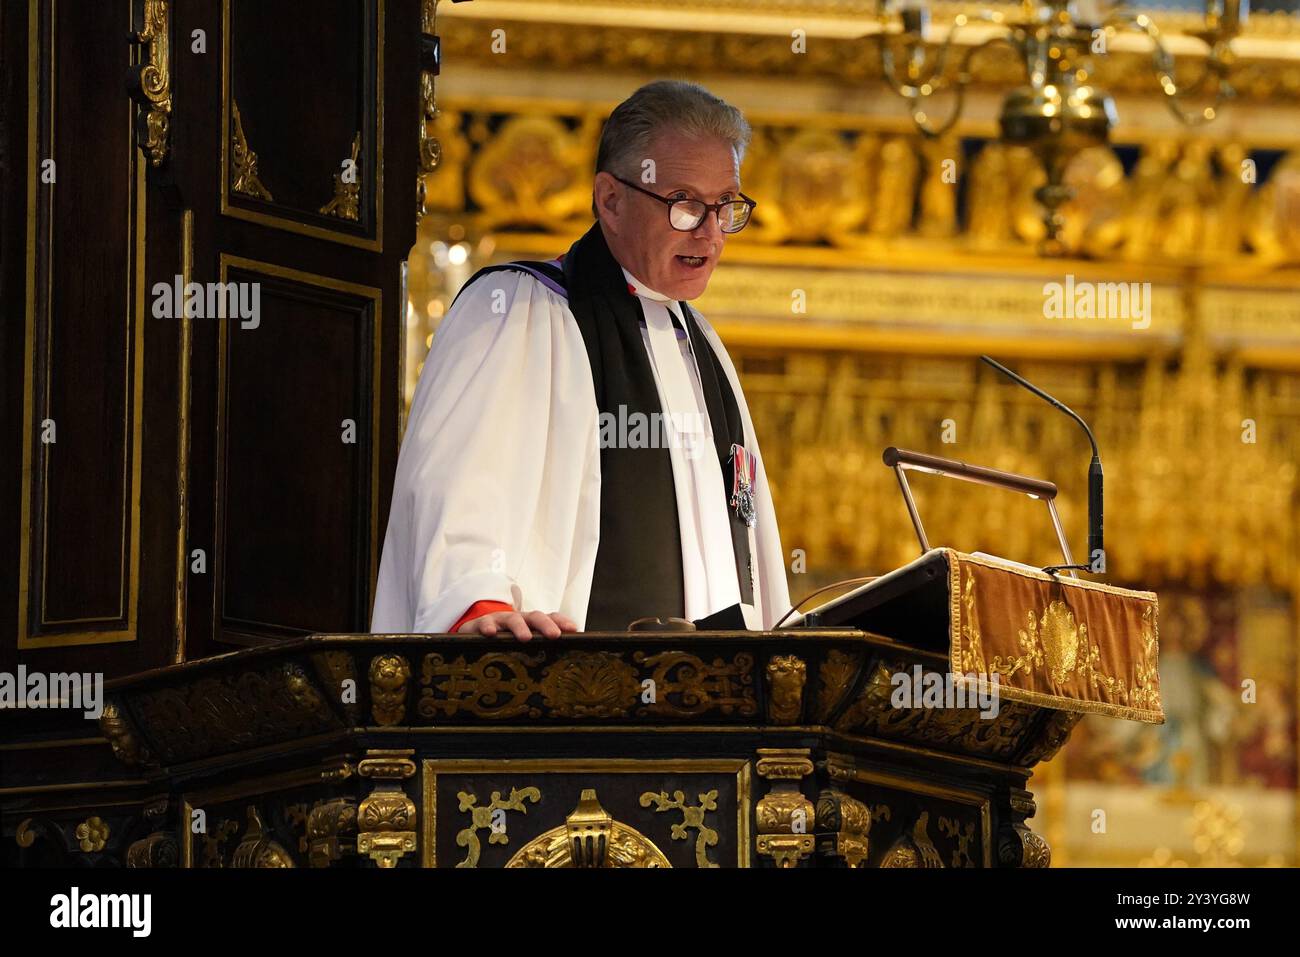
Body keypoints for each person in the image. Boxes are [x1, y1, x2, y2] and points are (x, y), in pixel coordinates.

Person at [371, 79, 790, 640]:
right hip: (571, 701)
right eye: (686, 205)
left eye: (727, 207)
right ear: (611, 199)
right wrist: (474, 599)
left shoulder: (704, 348)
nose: (713, 233)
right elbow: (459, 488)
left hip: (708, 712)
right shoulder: (519, 309)